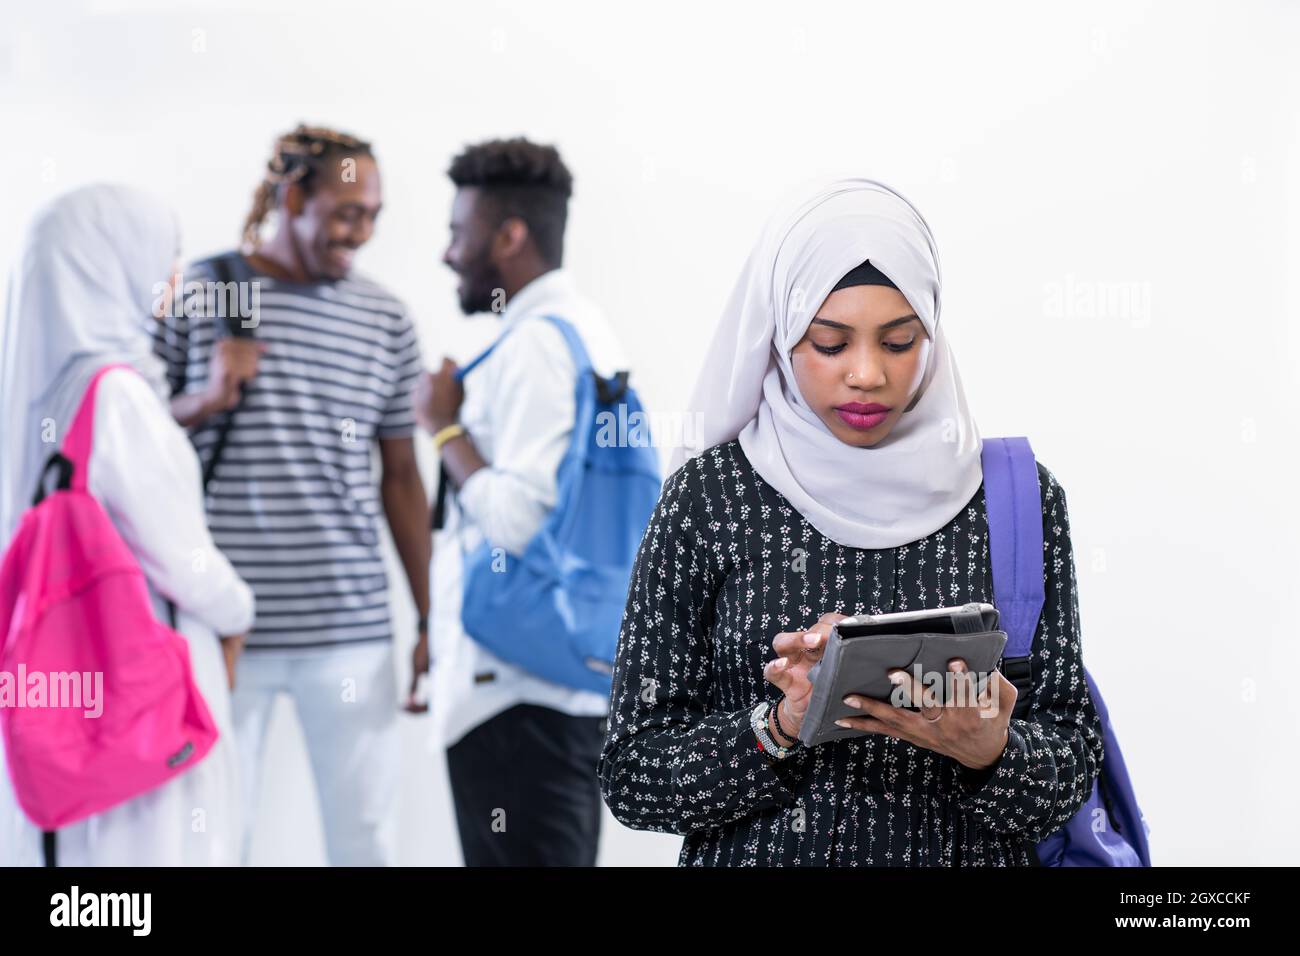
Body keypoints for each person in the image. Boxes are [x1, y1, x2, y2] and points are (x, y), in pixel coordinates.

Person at [597, 177, 1104, 866]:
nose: (866, 375)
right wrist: (779, 727)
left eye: (899, 342)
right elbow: (633, 775)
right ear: (778, 335)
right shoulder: (709, 498)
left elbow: (1073, 754)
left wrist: (993, 753)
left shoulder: (1015, 499)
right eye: (830, 344)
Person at [151, 125, 429, 866]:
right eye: (346, 212)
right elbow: (135, 443)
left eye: (373, 214)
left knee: (363, 839)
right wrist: (207, 398)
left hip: (347, 626)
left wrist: (430, 614)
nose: (361, 232)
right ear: (292, 196)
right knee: (213, 840)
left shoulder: (387, 320)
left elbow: (400, 476)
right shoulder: (209, 293)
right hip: (219, 624)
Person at [0, 183, 254, 865]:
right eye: (163, 258)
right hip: (142, 678)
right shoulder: (117, 395)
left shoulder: (31, 392)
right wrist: (241, 608)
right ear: (108, 264)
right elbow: (181, 560)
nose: (173, 279)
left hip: (60, 682)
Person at [413, 137, 628, 866]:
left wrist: (443, 426)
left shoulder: (536, 345)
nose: (447, 254)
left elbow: (521, 521)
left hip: (513, 695)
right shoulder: (581, 331)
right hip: (556, 677)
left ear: (508, 236)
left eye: (457, 232)